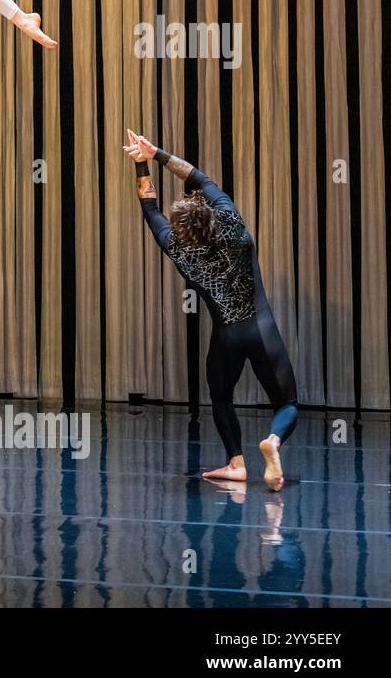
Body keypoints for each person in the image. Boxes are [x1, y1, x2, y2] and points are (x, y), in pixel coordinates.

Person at [124, 128, 298, 491]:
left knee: (221, 398)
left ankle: (236, 463)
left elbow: (149, 205)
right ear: (207, 211)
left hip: (226, 337)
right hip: (260, 328)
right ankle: (274, 441)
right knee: (287, 403)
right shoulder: (232, 223)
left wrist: (140, 165)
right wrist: (154, 152)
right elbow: (197, 177)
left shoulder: (178, 248)